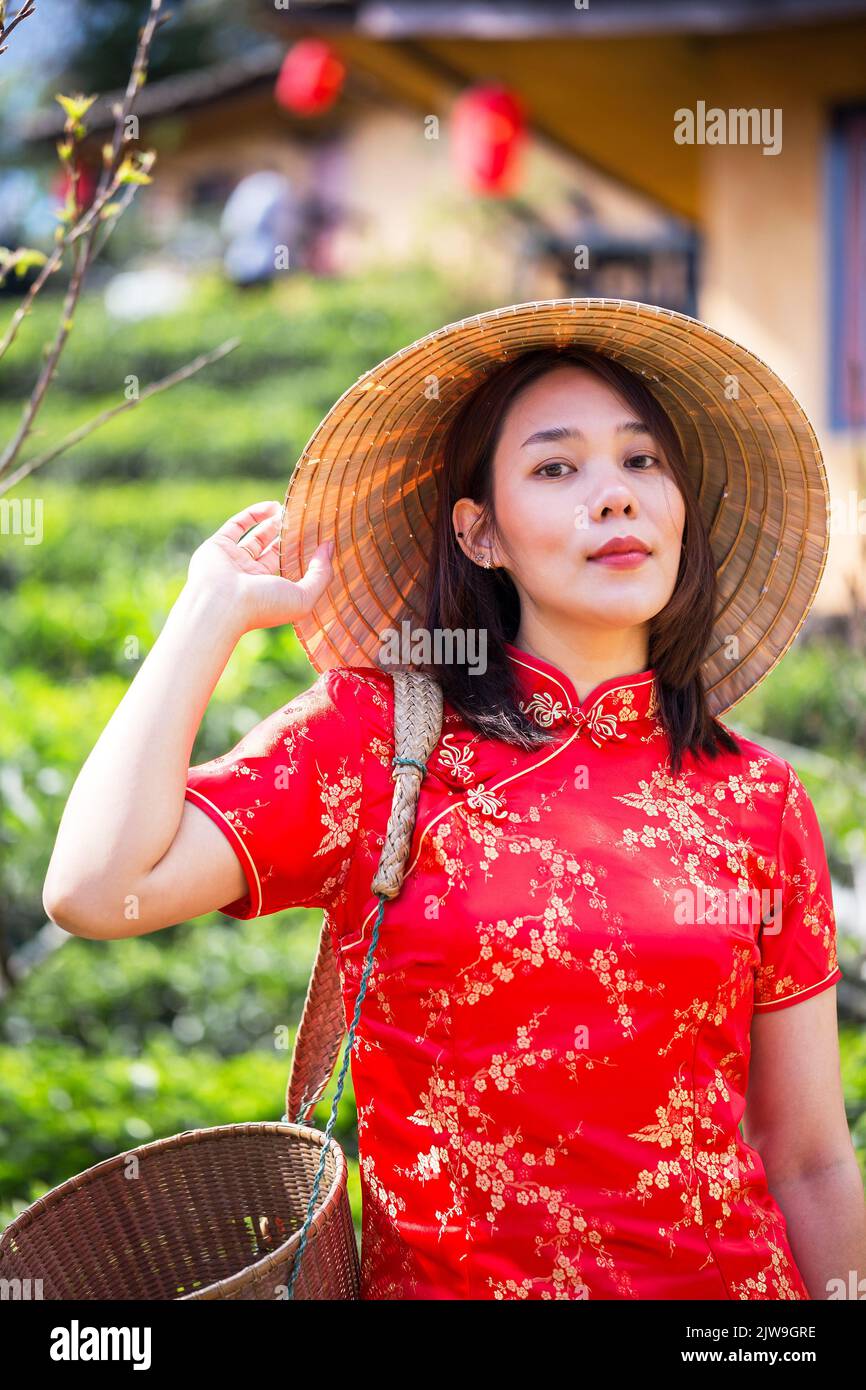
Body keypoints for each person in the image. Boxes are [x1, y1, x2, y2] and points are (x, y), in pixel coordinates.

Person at [43, 299, 865, 1301]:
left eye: (642, 462)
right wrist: (209, 612)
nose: (612, 496)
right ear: (478, 533)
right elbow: (94, 886)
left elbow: (810, 1159)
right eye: (555, 468)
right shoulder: (376, 743)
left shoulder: (755, 800)